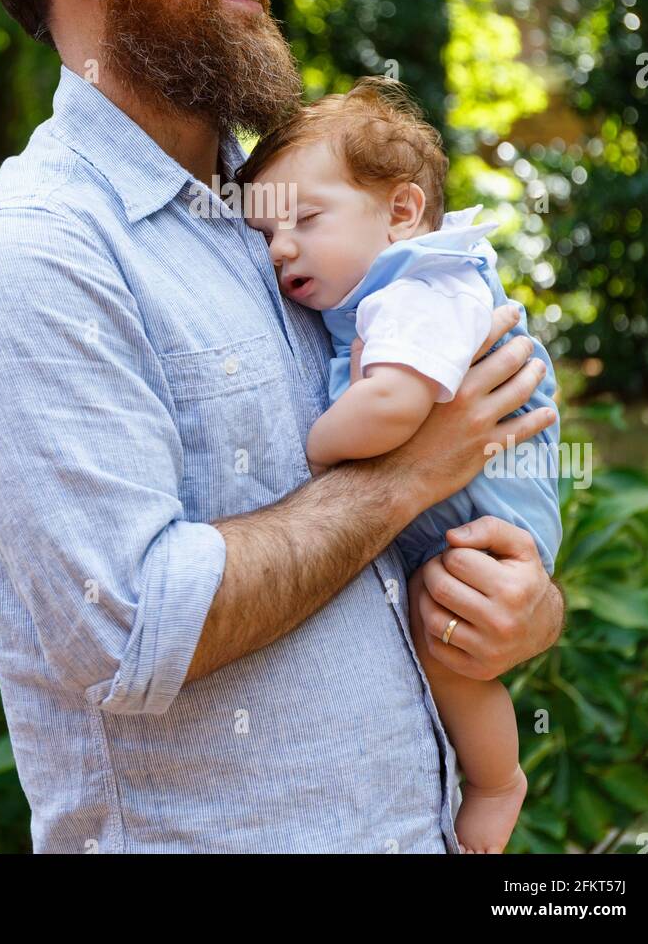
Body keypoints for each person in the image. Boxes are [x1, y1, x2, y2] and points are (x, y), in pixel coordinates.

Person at [0, 0, 563, 853]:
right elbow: (133, 628)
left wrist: (518, 605)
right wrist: (410, 473)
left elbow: (423, 527)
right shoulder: (35, 253)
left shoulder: (289, 215)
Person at [238, 76, 562, 853]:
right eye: (266, 236)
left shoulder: (416, 284)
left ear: (403, 212)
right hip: (464, 516)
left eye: (305, 221)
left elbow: (394, 409)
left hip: (487, 521)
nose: (281, 248)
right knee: (440, 633)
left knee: (447, 643)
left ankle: (496, 781)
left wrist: (313, 444)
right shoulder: (375, 289)